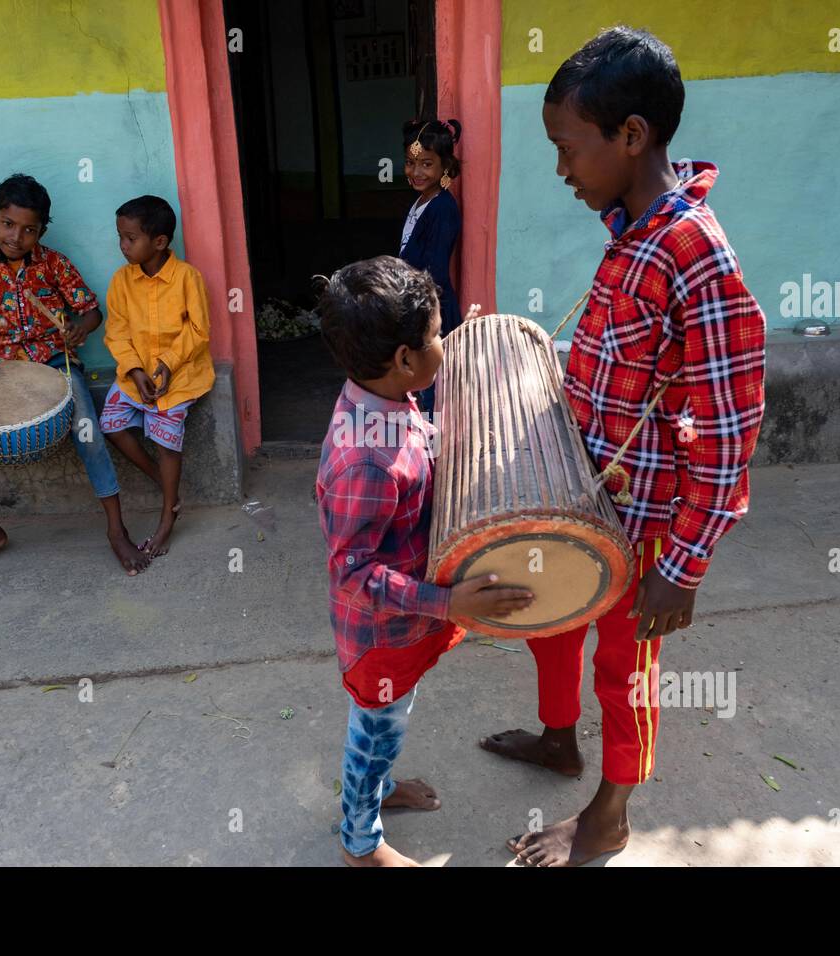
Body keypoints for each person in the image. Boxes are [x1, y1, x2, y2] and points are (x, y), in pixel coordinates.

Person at [486, 26, 767, 867]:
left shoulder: (696, 256)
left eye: (569, 150)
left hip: (646, 524)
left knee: (625, 668)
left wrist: (683, 563)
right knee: (553, 624)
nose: (563, 169)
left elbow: (726, 427)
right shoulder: (634, 230)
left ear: (631, 136)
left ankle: (609, 815)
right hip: (592, 499)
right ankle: (559, 741)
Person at [315, 256, 534, 866]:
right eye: (438, 335)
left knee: (392, 719)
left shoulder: (389, 395)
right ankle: (361, 844)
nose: (446, 342)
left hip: (404, 627)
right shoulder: (361, 459)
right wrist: (446, 601)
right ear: (406, 358)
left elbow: (417, 450)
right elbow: (351, 572)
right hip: (381, 633)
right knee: (375, 732)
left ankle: (381, 792)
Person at [0, 173, 149, 578]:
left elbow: (91, 310)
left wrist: (80, 328)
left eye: (29, 229)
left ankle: (116, 531)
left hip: (56, 364)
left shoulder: (53, 264)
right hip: (5, 368)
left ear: (41, 231)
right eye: (7, 224)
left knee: (87, 430)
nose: (16, 237)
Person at [99, 196, 215, 556]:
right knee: (112, 425)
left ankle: (167, 518)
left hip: (180, 376)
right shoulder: (121, 282)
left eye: (130, 238)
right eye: (120, 237)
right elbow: (116, 332)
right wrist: (135, 371)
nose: (123, 245)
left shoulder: (187, 278)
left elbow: (198, 330)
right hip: (135, 375)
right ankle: (165, 485)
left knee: (167, 440)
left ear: (160, 242)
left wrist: (165, 364)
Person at [399, 119, 463, 414]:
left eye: (426, 164)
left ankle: (435, 452)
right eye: (411, 163)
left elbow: (435, 272)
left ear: (445, 167)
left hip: (432, 312)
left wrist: (425, 322)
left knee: (433, 393)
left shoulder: (443, 209)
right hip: (416, 309)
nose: (416, 172)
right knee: (421, 387)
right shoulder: (421, 202)